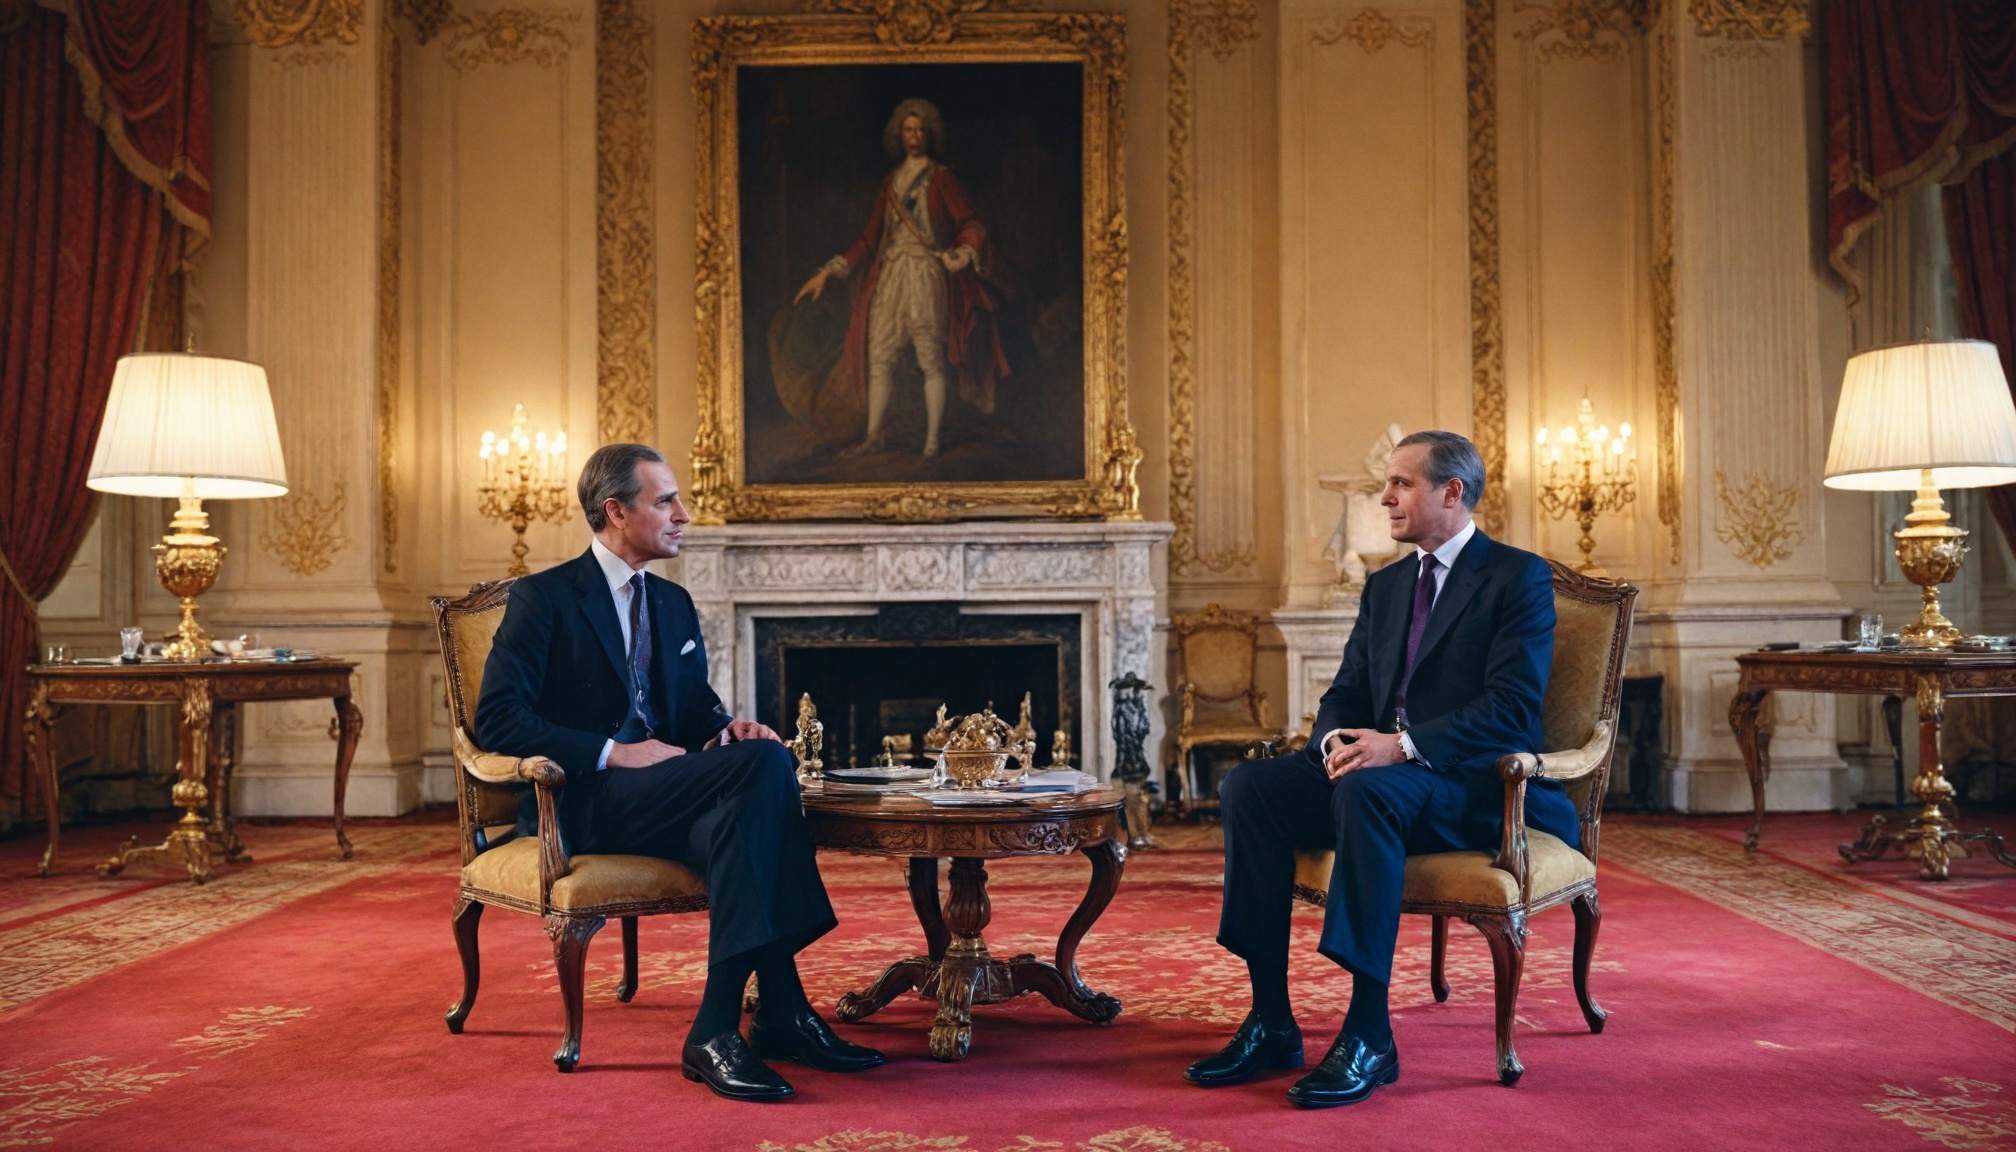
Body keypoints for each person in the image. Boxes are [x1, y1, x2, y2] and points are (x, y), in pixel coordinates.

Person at [474, 442, 883, 1103]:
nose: (683, 514)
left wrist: (726, 730)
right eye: (665, 500)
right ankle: (778, 1012)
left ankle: (733, 1024)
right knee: (766, 769)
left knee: (744, 807)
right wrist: (614, 751)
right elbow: (497, 720)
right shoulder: (544, 598)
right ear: (616, 511)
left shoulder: (670, 602)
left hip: (666, 794)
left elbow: (692, 712)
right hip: (584, 799)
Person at [1186, 430, 1580, 1108]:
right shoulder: (1387, 585)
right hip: (1382, 777)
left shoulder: (1516, 577)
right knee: (1252, 787)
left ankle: (1369, 1032)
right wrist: (1335, 741)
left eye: (1401, 483)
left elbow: (1511, 709)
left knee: (1368, 790)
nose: (1384, 497)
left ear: (1452, 492)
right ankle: (1272, 1022)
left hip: (1472, 783)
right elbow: (1348, 687)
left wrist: (1399, 747)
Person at [794, 97, 1008, 461]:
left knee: (929, 357)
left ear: (930, 134)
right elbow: (868, 240)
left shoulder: (942, 178)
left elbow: (971, 223)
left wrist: (963, 253)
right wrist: (828, 272)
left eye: (921, 129)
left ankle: (931, 443)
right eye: (908, 129)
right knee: (879, 356)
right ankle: (874, 436)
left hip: (925, 272)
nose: (915, 136)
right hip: (891, 274)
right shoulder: (889, 185)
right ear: (899, 134)